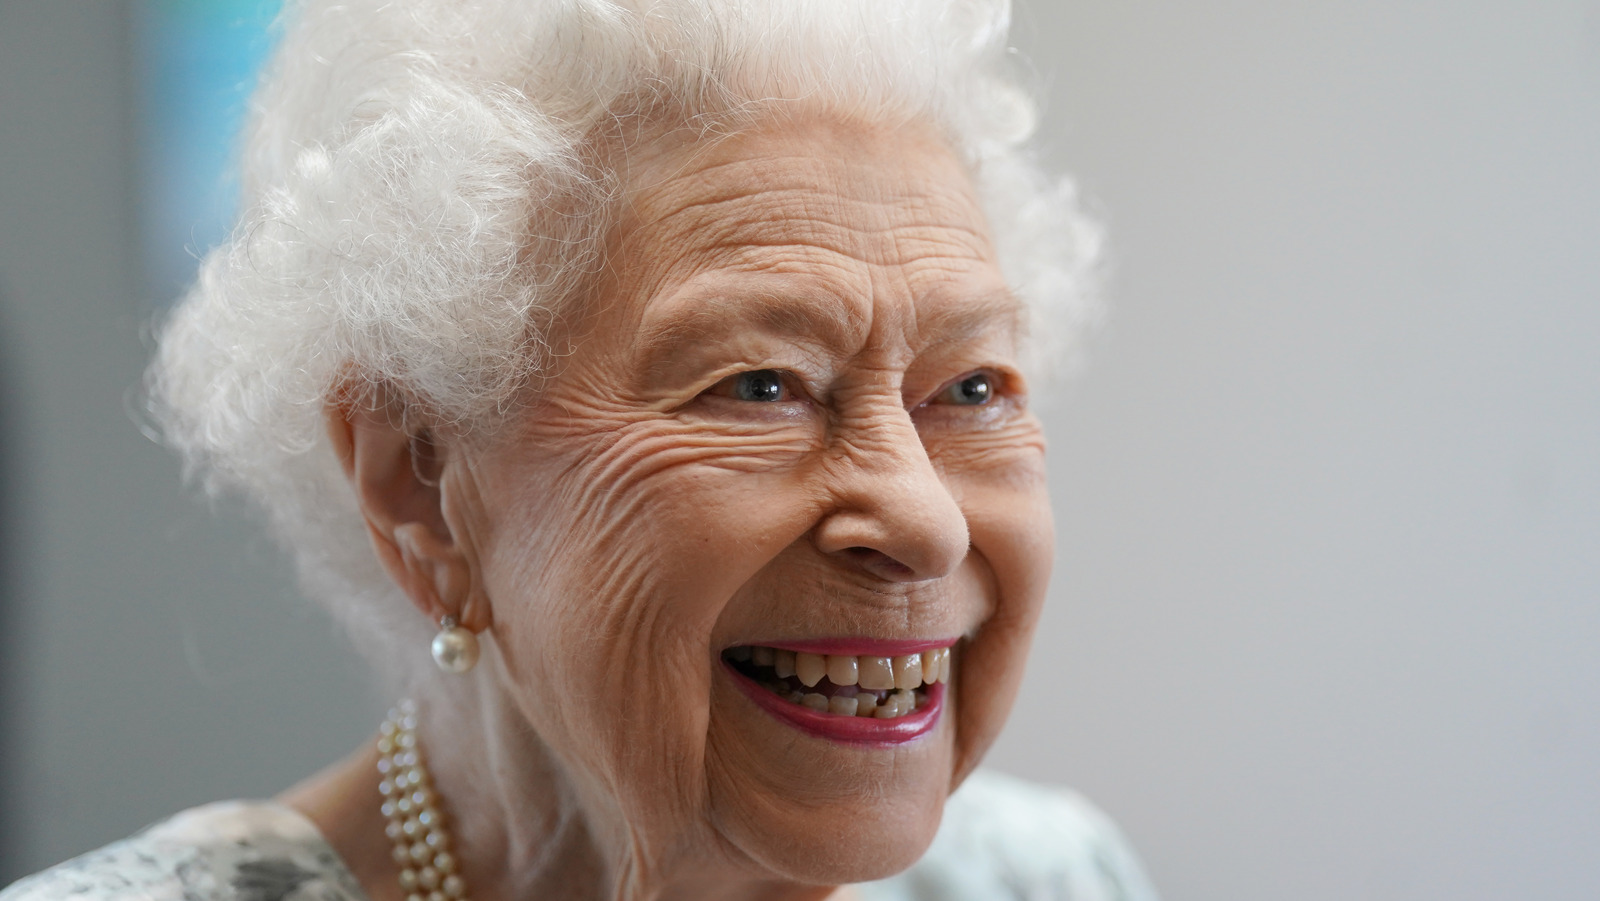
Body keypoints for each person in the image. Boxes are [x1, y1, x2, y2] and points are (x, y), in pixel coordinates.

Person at [2, 1, 1157, 899]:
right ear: (422, 481)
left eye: (970, 386)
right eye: (760, 385)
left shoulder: (1048, 876)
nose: (926, 522)